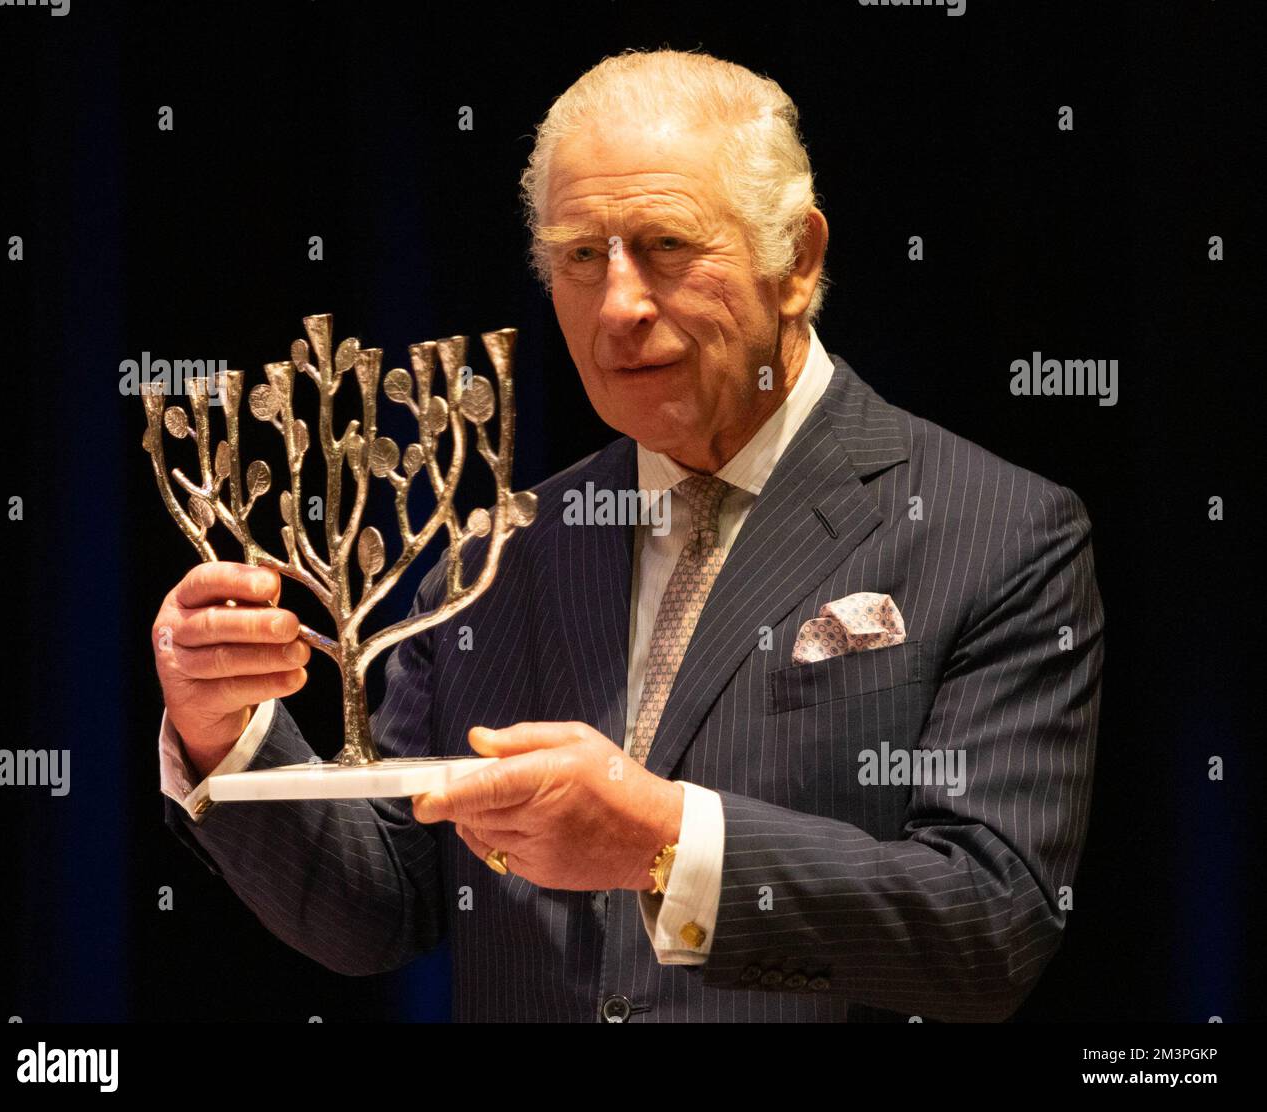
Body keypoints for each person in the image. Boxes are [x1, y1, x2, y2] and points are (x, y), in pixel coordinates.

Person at [153, 48, 1103, 1022]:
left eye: (666, 245)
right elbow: (381, 908)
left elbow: (991, 924)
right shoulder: (497, 557)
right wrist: (223, 731)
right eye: (580, 256)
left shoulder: (996, 532)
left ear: (797, 260)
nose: (618, 307)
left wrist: (667, 842)